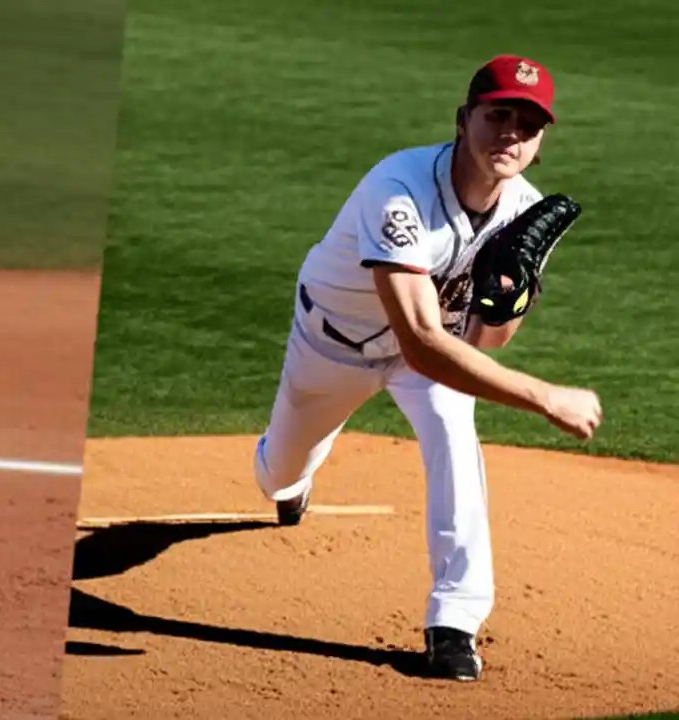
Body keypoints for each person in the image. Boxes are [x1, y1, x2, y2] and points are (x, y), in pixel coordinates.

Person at [251, 54, 602, 681]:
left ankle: (455, 623)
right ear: (464, 119)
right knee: (278, 471)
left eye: (528, 123)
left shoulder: (527, 208)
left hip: (431, 351)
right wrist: (546, 397)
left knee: (454, 438)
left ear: (541, 139)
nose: (510, 134)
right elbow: (417, 337)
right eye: (498, 115)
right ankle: (294, 474)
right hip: (334, 344)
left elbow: (485, 340)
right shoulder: (399, 189)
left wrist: (509, 293)